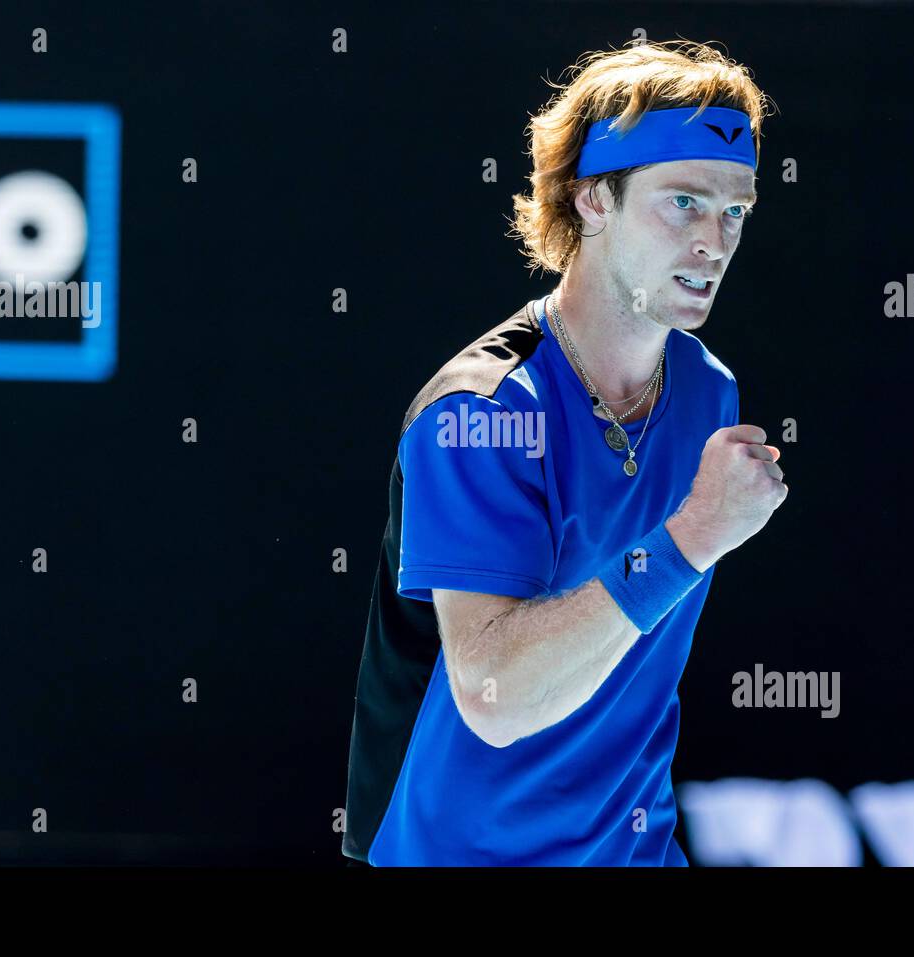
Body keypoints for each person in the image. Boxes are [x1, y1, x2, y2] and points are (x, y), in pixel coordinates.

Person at [343, 39, 787, 866]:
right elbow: (493, 696)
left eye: (735, 211)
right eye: (683, 202)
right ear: (592, 200)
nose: (713, 240)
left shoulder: (707, 392)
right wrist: (693, 534)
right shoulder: (478, 412)